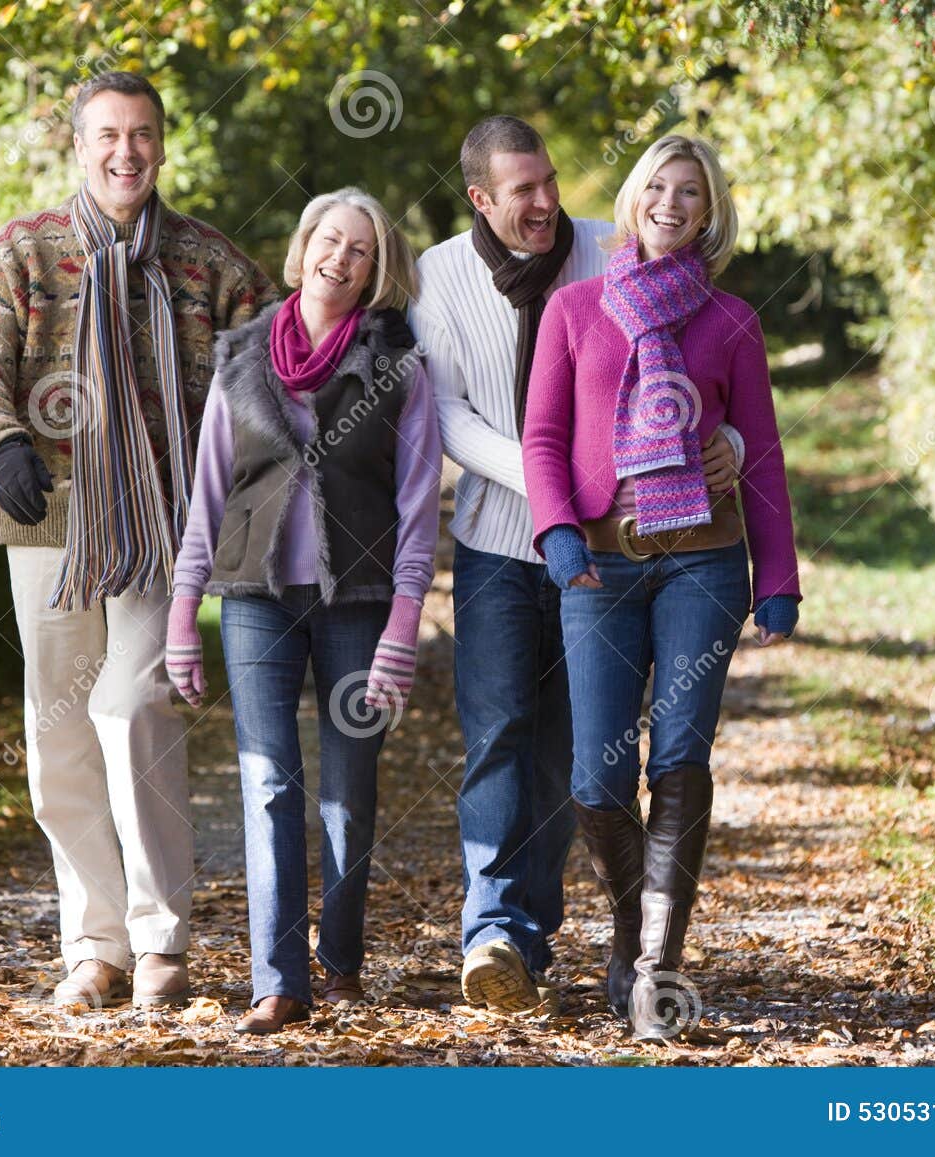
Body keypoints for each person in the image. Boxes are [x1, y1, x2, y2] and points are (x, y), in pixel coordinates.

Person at [411, 116, 748, 1013]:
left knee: (578, 752)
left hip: (613, 551)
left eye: (551, 181)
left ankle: (573, 939)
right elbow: (448, 416)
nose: (545, 202)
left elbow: (693, 355)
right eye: (522, 189)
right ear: (482, 198)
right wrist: (561, 484)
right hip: (498, 536)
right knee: (497, 731)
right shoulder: (438, 275)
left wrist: (734, 439)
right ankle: (493, 928)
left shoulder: (610, 245)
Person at [0, 72, 275, 1009]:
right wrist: (2, 440)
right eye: (107, 135)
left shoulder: (210, 262)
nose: (124, 152)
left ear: (163, 146)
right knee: (57, 738)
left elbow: (268, 385)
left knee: (132, 710)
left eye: (141, 135)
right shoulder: (23, 251)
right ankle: (94, 945)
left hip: (162, 529)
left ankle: (160, 937)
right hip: (47, 517)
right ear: (80, 146)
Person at [522, 134, 802, 1039]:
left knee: (680, 757)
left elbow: (758, 452)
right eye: (659, 187)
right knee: (597, 776)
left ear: (708, 213)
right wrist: (559, 534)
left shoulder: (731, 322)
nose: (672, 204)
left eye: (692, 193)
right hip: (600, 566)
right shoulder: (574, 309)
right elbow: (543, 438)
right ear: (635, 198)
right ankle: (629, 919)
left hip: (703, 562)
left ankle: (655, 967)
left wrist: (778, 575)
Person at [164, 188, 439, 1035]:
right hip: (253, 598)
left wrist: (402, 624)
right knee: (267, 780)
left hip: (358, 600)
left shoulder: (398, 366)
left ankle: (341, 957)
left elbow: (420, 503)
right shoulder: (242, 354)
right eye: (329, 238)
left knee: (348, 792)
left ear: (376, 269)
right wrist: (183, 612)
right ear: (303, 246)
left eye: (360, 248)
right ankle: (278, 978)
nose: (340, 256)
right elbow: (209, 490)